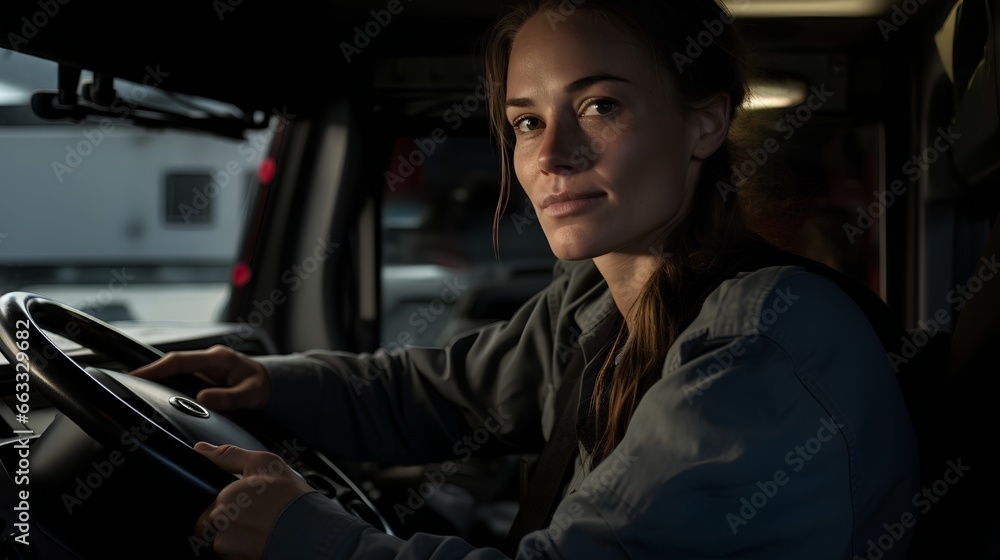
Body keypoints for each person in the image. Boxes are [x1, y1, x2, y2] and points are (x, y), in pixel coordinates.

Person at [130, 0, 920, 558]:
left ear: (704, 123)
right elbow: (441, 394)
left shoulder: (762, 339)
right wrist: (262, 382)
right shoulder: (597, 302)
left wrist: (309, 536)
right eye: (527, 122)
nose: (550, 157)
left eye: (601, 106)